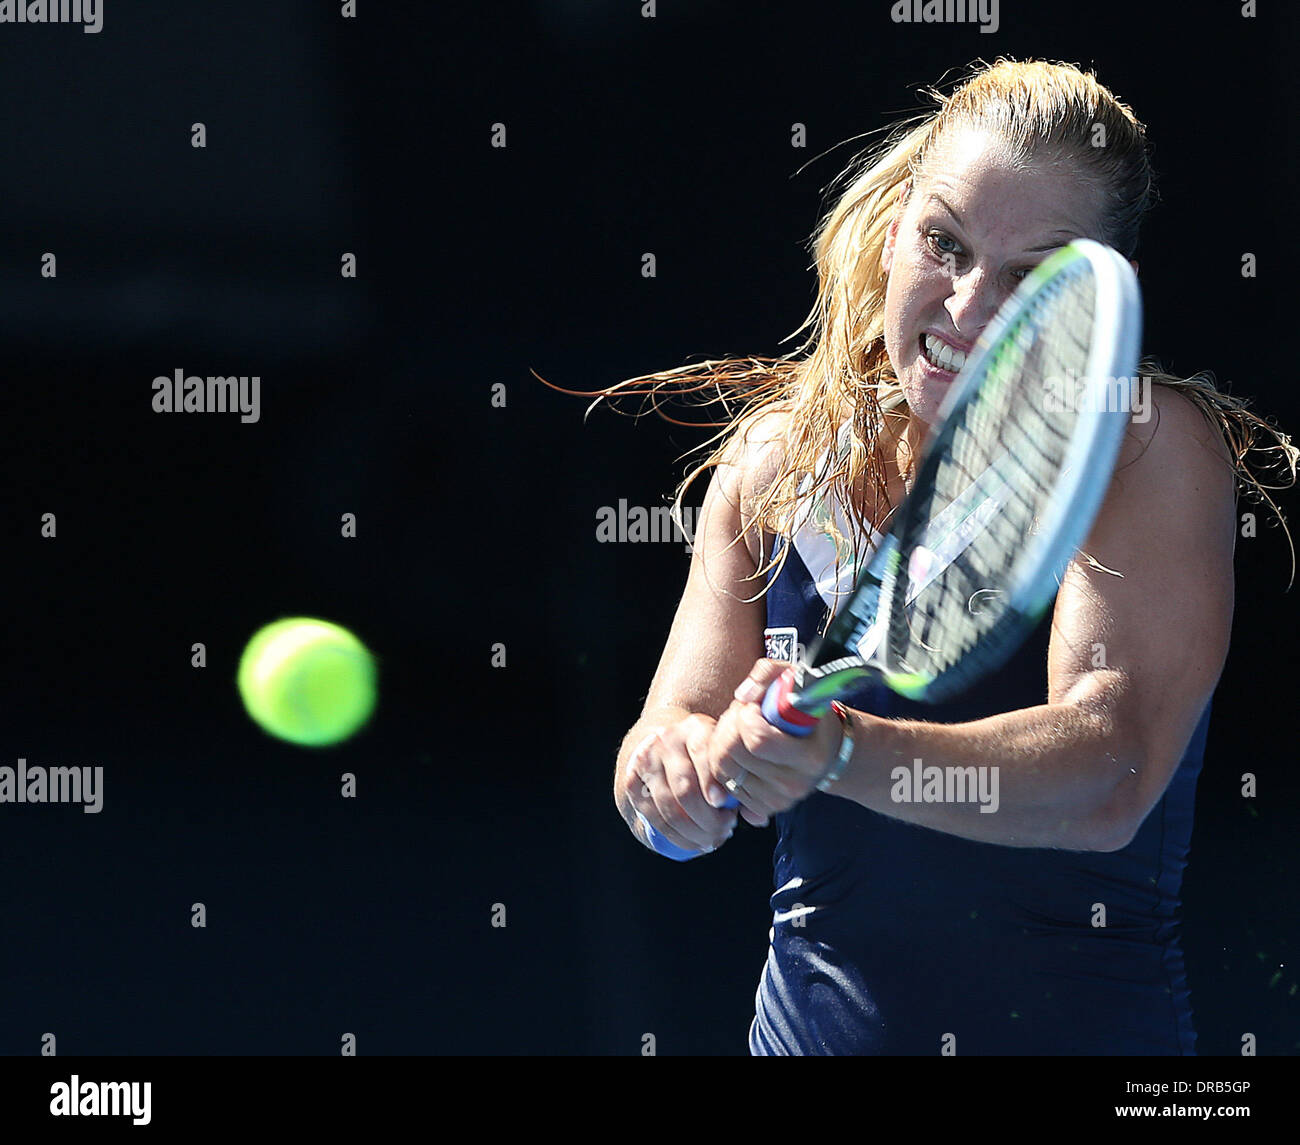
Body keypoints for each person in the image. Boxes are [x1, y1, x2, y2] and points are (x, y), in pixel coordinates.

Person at [603, 59, 1296, 1054]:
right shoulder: (773, 463)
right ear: (896, 234)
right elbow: (670, 737)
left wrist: (840, 747)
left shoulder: (1143, 444)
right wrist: (668, 780)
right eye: (945, 243)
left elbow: (1110, 774)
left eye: (1028, 276)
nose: (967, 308)